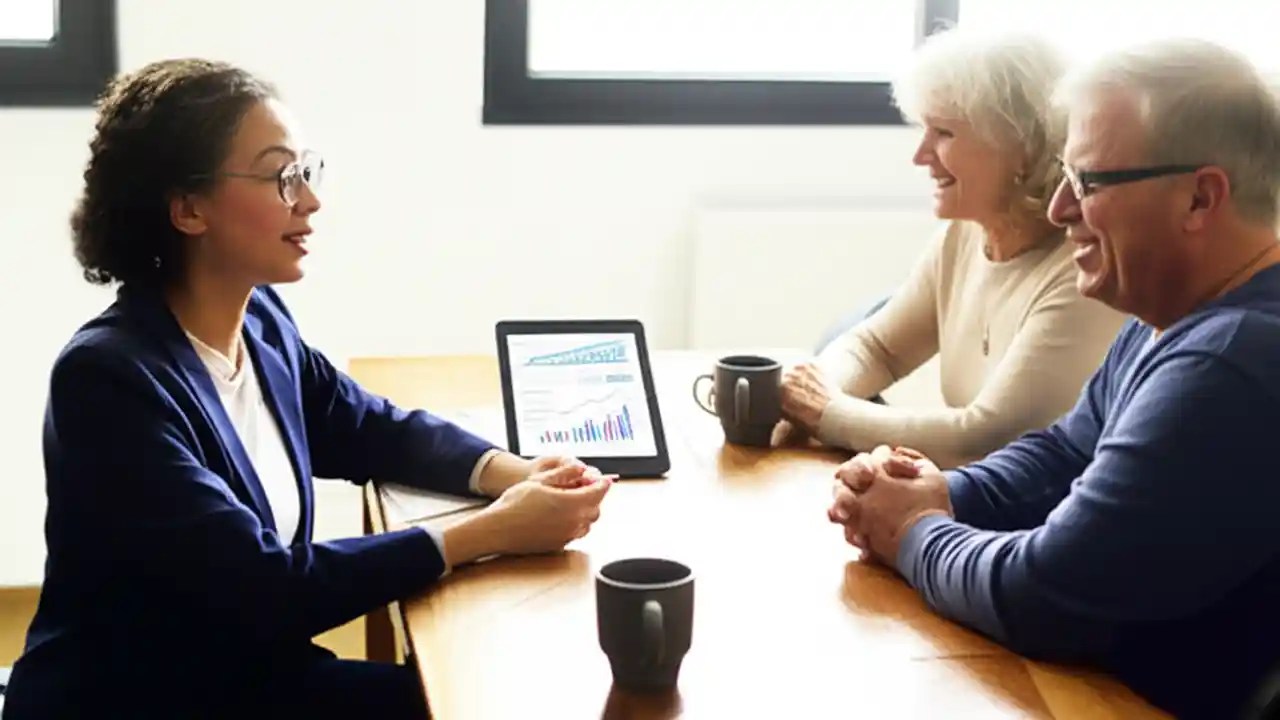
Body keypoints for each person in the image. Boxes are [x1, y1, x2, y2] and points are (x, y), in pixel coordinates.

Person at [3, 59, 614, 719]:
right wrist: (492, 530)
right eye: (279, 176)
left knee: (495, 691)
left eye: (305, 171)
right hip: (144, 701)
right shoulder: (107, 380)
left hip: (250, 676)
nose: (310, 200)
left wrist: (519, 473)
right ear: (187, 208)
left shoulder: (260, 320)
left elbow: (365, 426)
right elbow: (263, 586)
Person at [827, 38, 1280, 719]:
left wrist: (911, 530)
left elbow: (1043, 594)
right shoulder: (1172, 315)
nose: (1062, 208)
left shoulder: (1231, 362)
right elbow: (1064, 454)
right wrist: (944, 491)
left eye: (1090, 182)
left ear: (1200, 199)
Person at [774, 29, 1128, 469]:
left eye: (943, 133)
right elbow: (877, 348)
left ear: (1023, 147)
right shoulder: (966, 233)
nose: (921, 155)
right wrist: (807, 394)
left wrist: (827, 413)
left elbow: (985, 438)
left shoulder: (1082, 268)